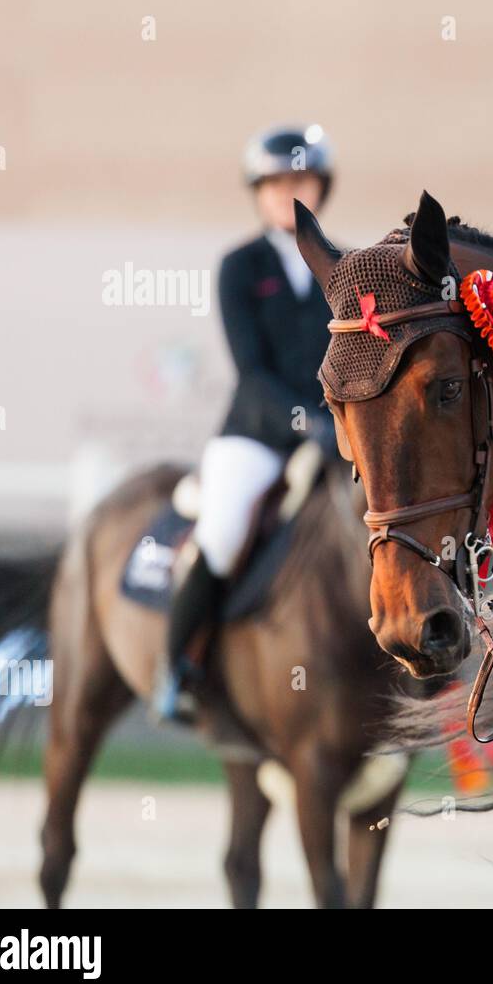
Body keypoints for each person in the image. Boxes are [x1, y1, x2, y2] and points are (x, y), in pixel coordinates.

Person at [153, 124, 338, 724]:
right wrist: (306, 422)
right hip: (256, 436)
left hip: (333, 435)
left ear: (320, 187)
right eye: (276, 182)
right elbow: (251, 371)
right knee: (225, 529)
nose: (289, 191)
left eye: (300, 180)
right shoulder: (240, 266)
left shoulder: (345, 265)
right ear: (258, 191)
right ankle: (179, 667)